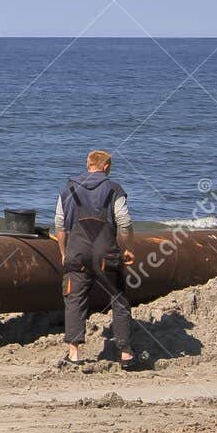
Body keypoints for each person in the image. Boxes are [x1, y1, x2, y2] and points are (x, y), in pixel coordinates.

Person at [54, 150, 136, 368]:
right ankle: (126, 353)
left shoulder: (68, 188)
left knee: (74, 298)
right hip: (106, 252)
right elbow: (124, 222)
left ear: (88, 164)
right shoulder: (114, 189)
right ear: (106, 167)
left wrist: (63, 252)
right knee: (118, 298)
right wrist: (127, 248)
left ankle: (74, 354)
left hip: (77, 251)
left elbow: (60, 225)